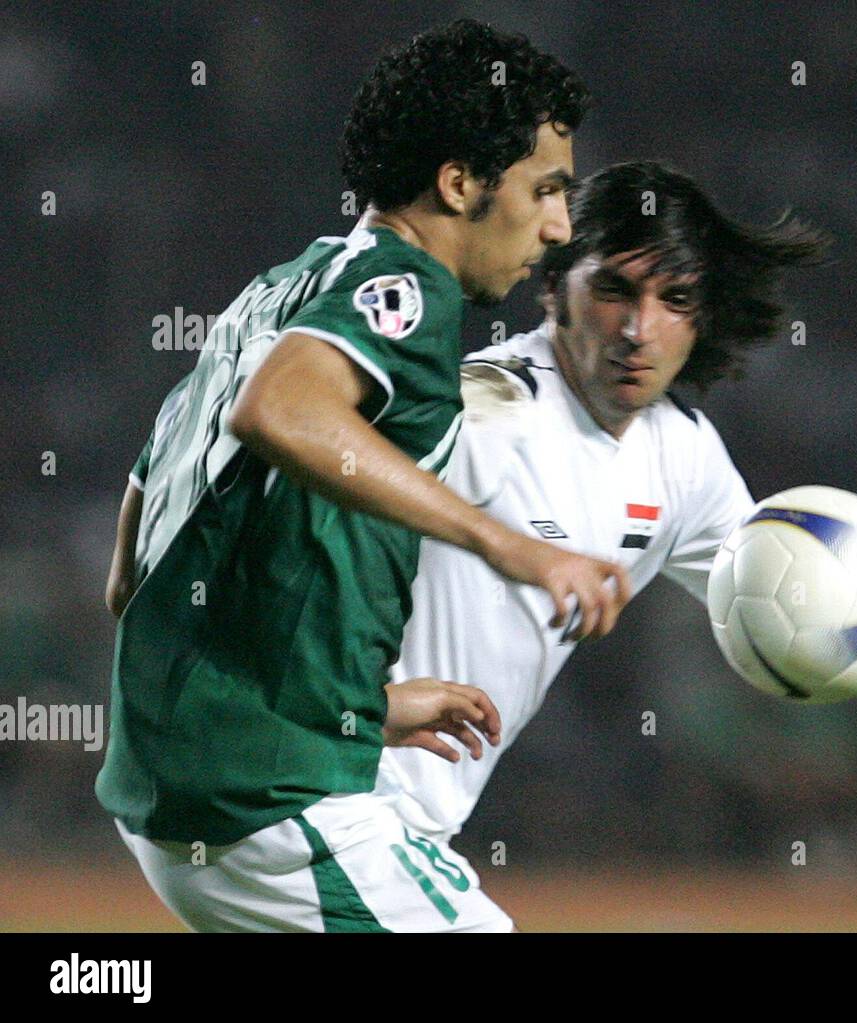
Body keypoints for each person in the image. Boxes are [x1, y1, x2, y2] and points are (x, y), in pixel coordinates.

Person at [376, 161, 857, 931]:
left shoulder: (682, 454)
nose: (640, 329)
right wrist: (359, 712)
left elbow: (824, 627)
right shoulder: (482, 413)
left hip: (394, 827)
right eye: (613, 290)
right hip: (335, 805)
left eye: (674, 299)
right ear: (553, 287)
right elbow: (273, 529)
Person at [99, 20, 628, 933]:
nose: (559, 227)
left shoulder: (280, 288)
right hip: (266, 806)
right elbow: (277, 413)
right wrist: (518, 551)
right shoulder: (407, 292)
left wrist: (355, 706)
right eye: (545, 190)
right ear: (460, 183)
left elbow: (132, 564)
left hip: (190, 786)